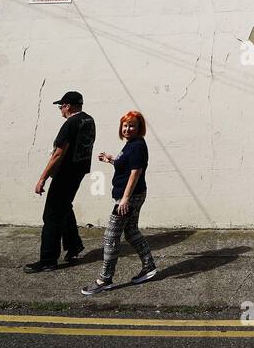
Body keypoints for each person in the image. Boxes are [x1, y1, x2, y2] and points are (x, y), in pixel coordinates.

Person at [82, 110, 157, 294]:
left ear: (139, 128)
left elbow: (135, 173)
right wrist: (111, 160)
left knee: (110, 236)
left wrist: (125, 199)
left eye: (132, 125)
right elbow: (126, 166)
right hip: (131, 196)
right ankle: (149, 266)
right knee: (131, 232)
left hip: (129, 197)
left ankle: (105, 279)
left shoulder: (137, 145)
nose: (127, 129)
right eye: (125, 125)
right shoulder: (131, 145)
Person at [23, 90, 95, 273]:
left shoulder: (70, 123)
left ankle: (48, 260)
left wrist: (42, 178)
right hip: (78, 172)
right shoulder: (89, 120)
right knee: (64, 207)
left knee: (52, 216)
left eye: (61, 106)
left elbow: (58, 153)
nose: (60, 110)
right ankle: (74, 245)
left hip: (65, 174)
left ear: (68, 106)